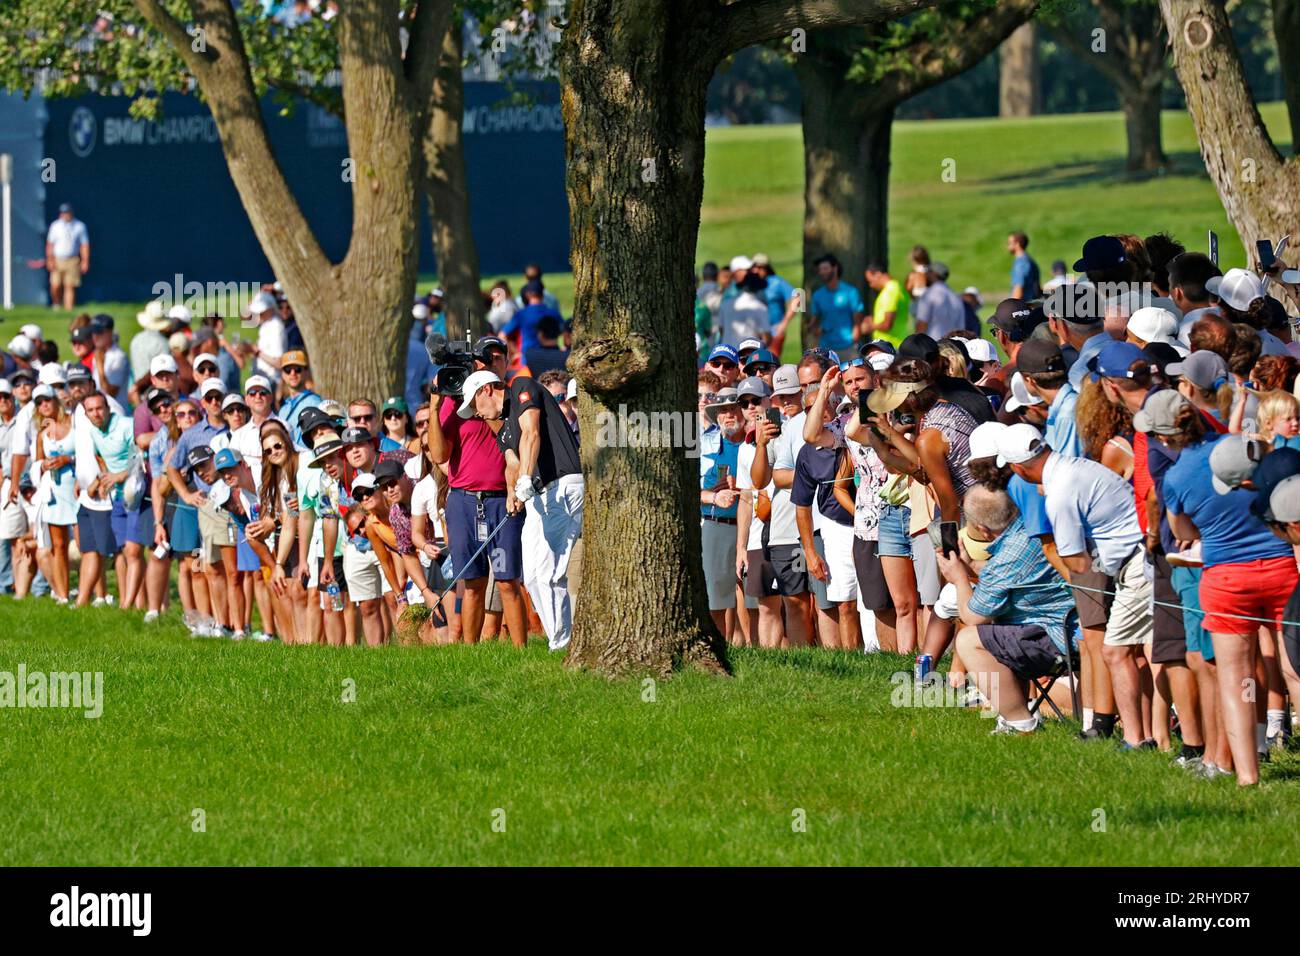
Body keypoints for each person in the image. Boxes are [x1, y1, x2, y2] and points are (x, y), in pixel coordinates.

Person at [999, 423, 1152, 750]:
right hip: (1140, 558)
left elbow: (1077, 564)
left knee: (1117, 651)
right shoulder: (1077, 467)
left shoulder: (1060, 494)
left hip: (1133, 564)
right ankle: (1146, 735)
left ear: (1019, 468)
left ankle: (1133, 737)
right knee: (1135, 653)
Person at [1167, 428, 1300, 786]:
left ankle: (1246, 775)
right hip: (1283, 571)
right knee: (1294, 669)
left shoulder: (1179, 478)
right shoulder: (1283, 471)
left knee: (1237, 678)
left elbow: (1184, 530)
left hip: (1227, 580)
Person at [938, 485, 1078, 735]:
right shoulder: (1031, 528)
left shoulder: (1010, 554)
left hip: (1057, 637)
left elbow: (973, 616)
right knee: (1000, 629)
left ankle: (1019, 722)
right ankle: (1019, 712)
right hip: (1069, 625)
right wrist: (969, 565)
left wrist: (959, 579)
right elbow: (1011, 574)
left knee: (970, 639)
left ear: (982, 529)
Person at [460, 369, 584, 651]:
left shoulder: (522, 387)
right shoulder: (503, 429)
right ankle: (561, 641)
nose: (476, 414)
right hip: (540, 495)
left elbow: (532, 432)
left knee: (549, 575)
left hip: (563, 485)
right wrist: (511, 492)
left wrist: (526, 477)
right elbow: (511, 464)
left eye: (473, 405)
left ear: (486, 390)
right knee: (532, 577)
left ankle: (561, 644)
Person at [32, 384, 77, 603]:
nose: (44, 405)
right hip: (55, 490)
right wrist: (44, 466)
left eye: (47, 400)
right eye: (39, 403)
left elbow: (88, 453)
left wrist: (67, 459)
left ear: (55, 400)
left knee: (84, 545)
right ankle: (62, 595)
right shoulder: (42, 434)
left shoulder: (73, 422)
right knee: (58, 546)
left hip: (77, 488)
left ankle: (97, 593)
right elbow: (36, 464)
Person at [45, 203, 90, 310]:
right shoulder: (55, 226)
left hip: (73, 260)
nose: (65, 215)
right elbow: (50, 244)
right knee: (55, 285)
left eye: (67, 212)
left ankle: (68, 310)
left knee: (69, 286)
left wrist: (85, 261)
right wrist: (50, 259)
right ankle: (56, 304)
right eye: (63, 213)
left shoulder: (80, 226)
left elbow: (84, 245)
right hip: (57, 259)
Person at [277, 350, 323, 447]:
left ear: (306, 372)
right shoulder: (283, 409)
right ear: (283, 375)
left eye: (297, 369)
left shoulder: (315, 402)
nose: (292, 373)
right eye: (288, 370)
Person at [914, 262, 966, 340]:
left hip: (932, 347)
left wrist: (917, 344)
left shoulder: (929, 295)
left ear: (934, 274)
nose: (926, 275)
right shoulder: (955, 296)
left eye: (928, 272)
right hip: (953, 348)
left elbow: (921, 325)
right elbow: (961, 329)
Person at [863, 262, 908, 347]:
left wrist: (870, 326)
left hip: (891, 346)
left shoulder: (891, 291)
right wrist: (874, 321)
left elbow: (887, 324)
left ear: (878, 274)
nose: (871, 285)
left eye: (870, 281)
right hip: (893, 344)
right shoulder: (896, 287)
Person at [1006, 231, 1040, 301]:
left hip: (1023, 304)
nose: (1007, 246)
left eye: (1009, 243)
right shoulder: (1029, 260)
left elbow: (1018, 288)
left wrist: (1013, 307)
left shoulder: (1021, 263)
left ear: (1017, 244)